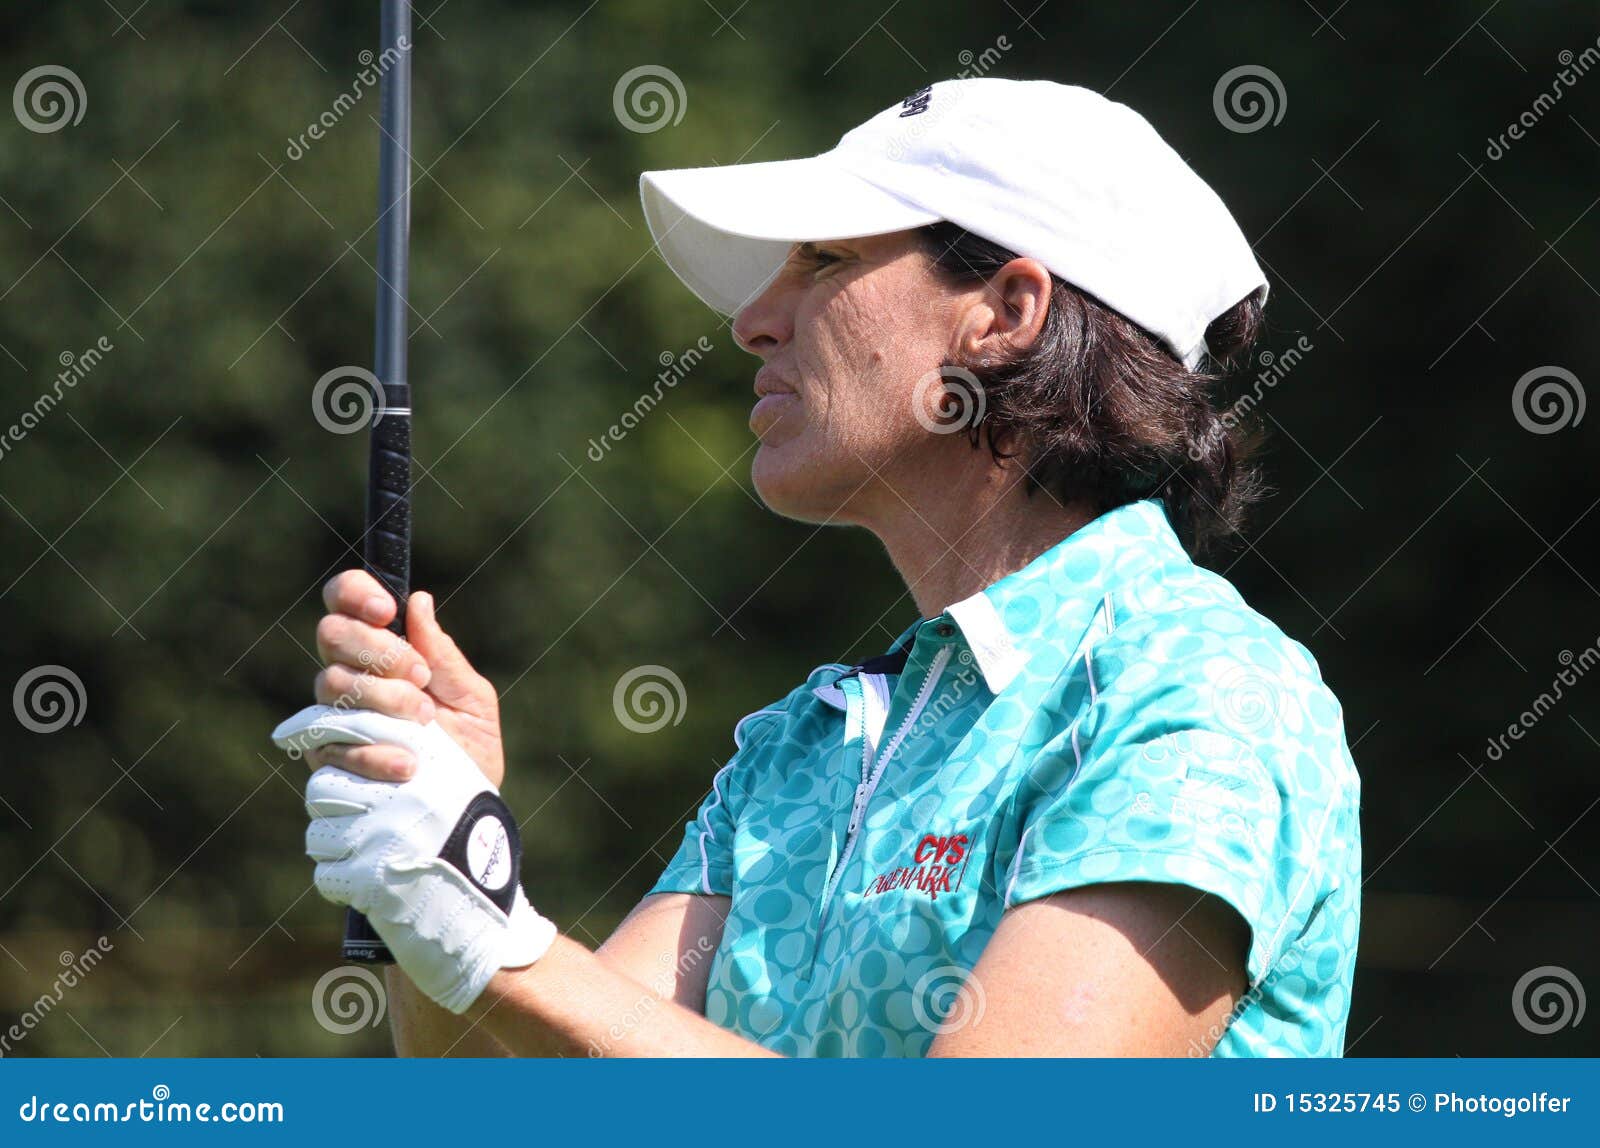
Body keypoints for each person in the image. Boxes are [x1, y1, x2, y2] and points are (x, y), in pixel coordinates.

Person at [274, 78, 1361, 1057]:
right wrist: (447, 865)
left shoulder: (1200, 691)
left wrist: (503, 941)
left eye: (825, 259)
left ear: (1004, 314)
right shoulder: (811, 736)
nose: (752, 321)